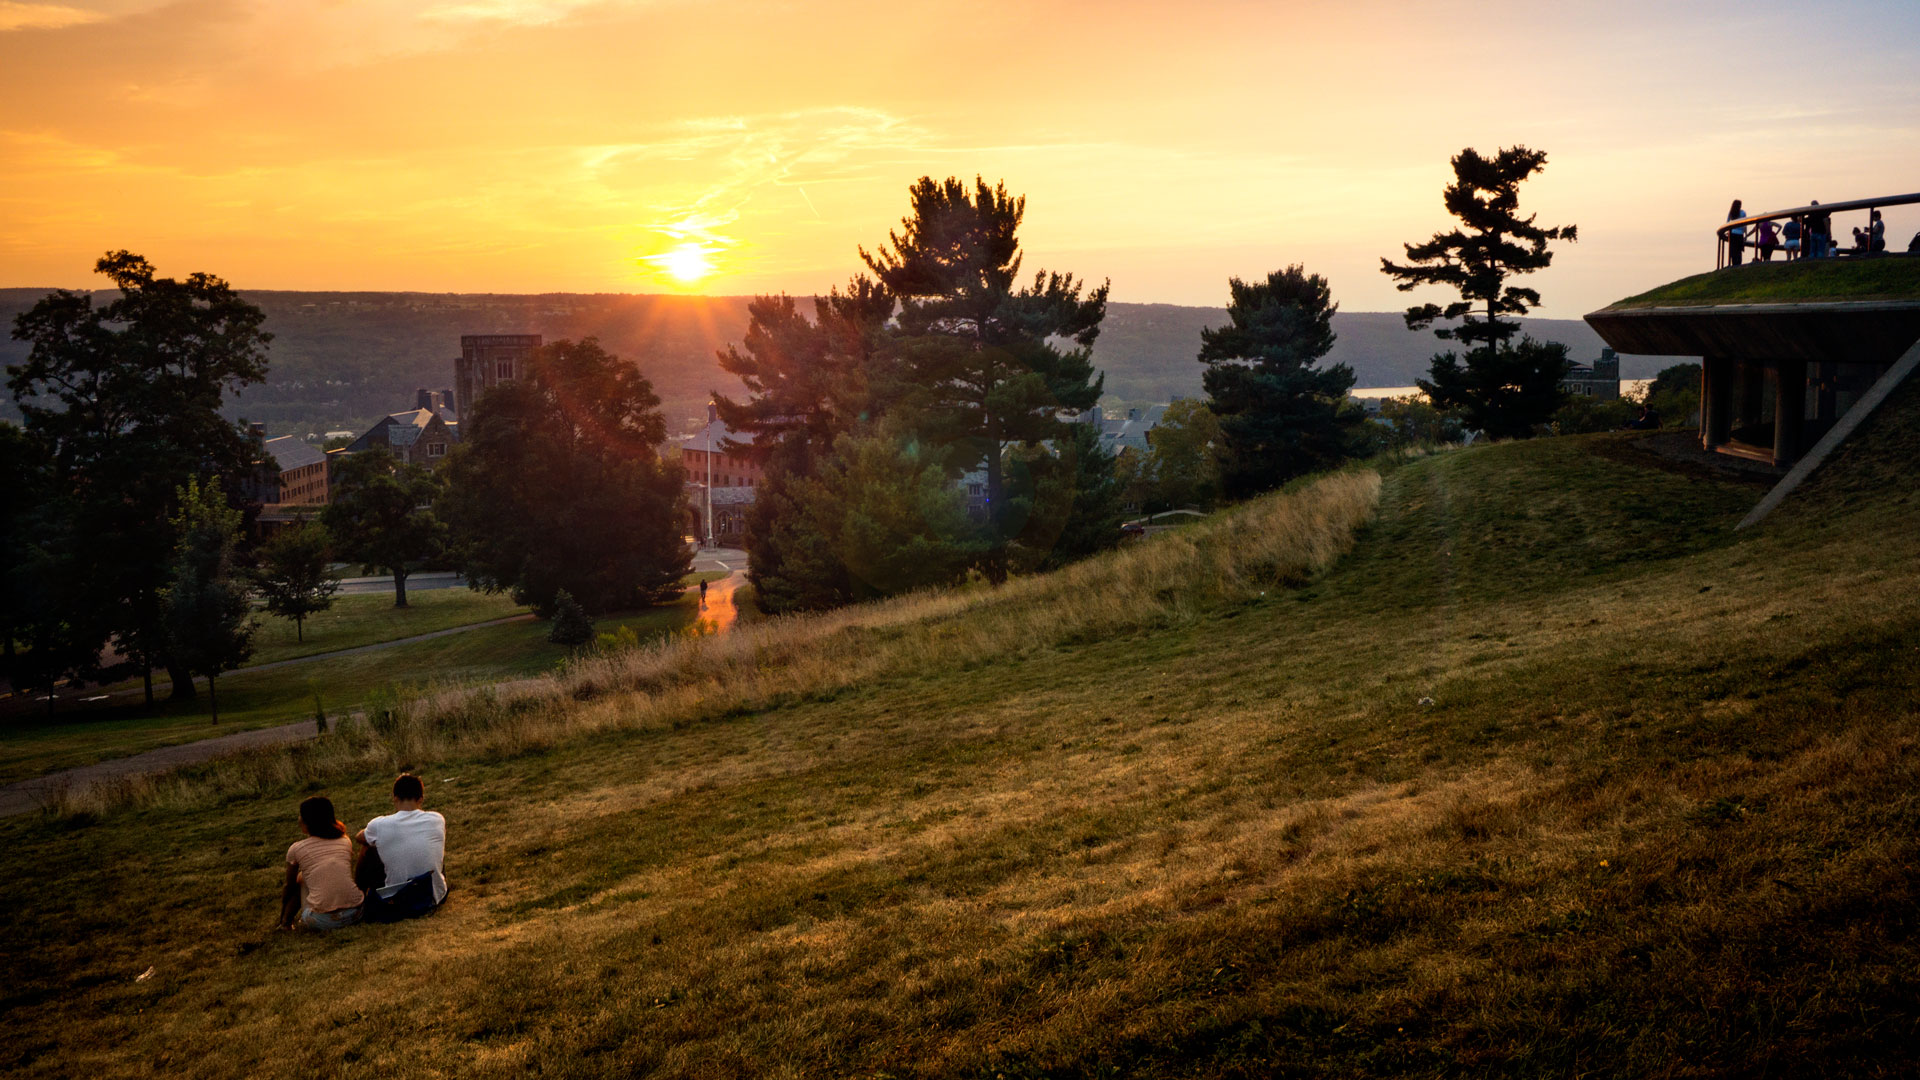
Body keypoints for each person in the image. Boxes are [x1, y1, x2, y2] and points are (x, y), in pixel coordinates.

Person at [354, 772, 447, 920]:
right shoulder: (437, 819)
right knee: (432, 844)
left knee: (368, 848)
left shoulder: (379, 824)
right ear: (421, 799)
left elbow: (359, 837)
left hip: (398, 900)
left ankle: (358, 895)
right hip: (434, 896)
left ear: (395, 798)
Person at [280, 796, 364, 931]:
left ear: (307, 821)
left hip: (321, 922)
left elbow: (289, 886)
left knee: (301, 878)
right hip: (356, 913)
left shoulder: (296, 849)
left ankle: (286, 924)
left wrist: (284, 907)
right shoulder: (344, 841)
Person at [1725, 199, 1746, 266]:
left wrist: (1727, 232)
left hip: (1732, 233)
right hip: (1740, 234)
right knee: (1739, 251)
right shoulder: (1743, 213)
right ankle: (1738, 264)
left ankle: (1733, 264)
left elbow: (1727, 223)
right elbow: (1744, 225)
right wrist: (1746, 234)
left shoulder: (1731, 212)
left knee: (1733, 250)